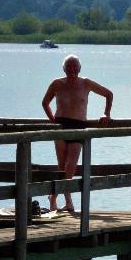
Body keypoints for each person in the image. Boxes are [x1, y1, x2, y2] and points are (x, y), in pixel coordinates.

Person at [42, 54, 114, 213]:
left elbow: (109, 94)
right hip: (60, 125)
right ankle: (67, 202)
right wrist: (53, 120)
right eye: (69, 66)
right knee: (61, 165)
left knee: (71, 165)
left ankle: (53, 195)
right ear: (64, 68)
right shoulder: (57, 83)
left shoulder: (86, 83)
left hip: (78, 125)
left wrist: (106, 114)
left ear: (80, 68)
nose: (72, 69)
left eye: (75, 66)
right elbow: (45, 102)